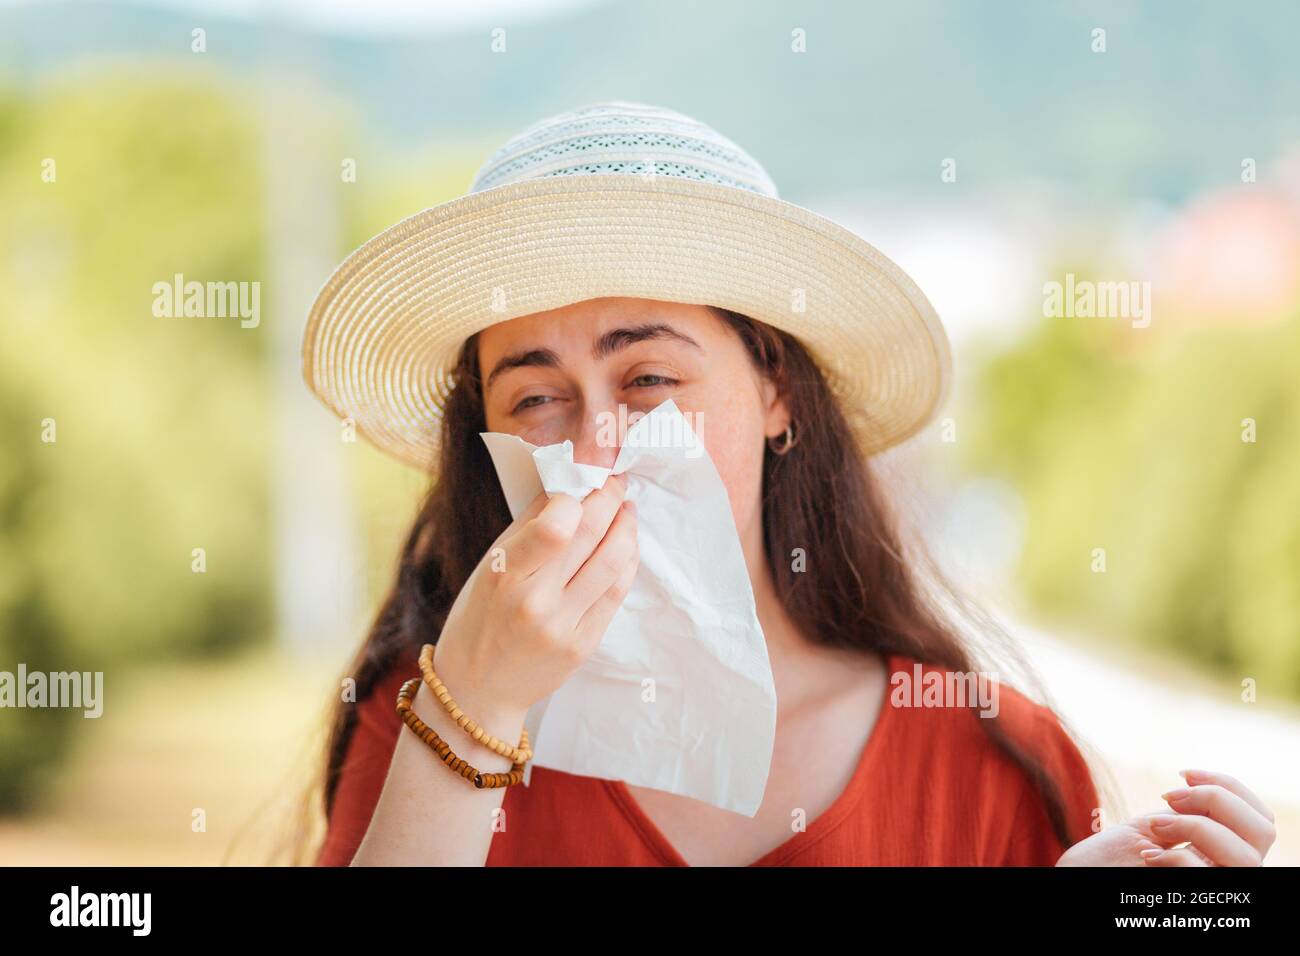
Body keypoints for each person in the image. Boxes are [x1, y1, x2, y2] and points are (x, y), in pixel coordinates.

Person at [297, 103, 1275, 867]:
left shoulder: (987, 757)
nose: (594, 447)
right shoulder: (426, 717)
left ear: (775, 392)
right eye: (536, 395)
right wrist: (470, 707)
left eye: (647, 379)